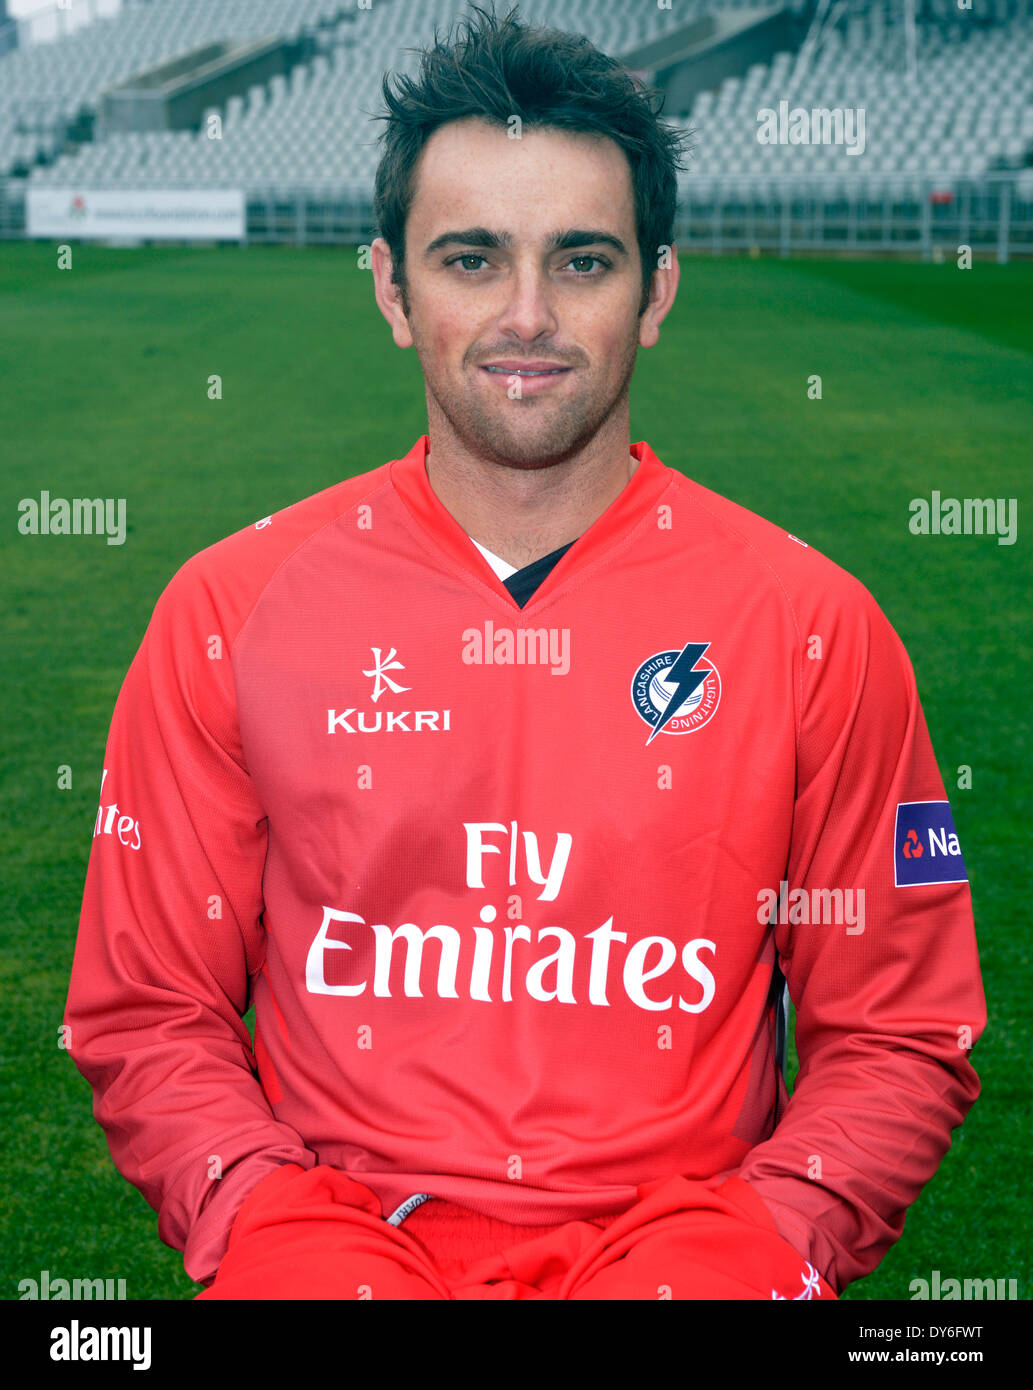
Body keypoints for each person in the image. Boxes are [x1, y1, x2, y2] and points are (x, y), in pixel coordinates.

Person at [64, 4, 985, 1301]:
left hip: (687, 1244)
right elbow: (149, 1006)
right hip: (334, 1239)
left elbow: (897, 1027)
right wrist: (265, 1219)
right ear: (392, 288)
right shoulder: (229, 607)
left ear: (655, 291)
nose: (528, 315)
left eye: (584, 260)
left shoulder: (817, 626)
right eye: (471, 257)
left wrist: (762, 1234)